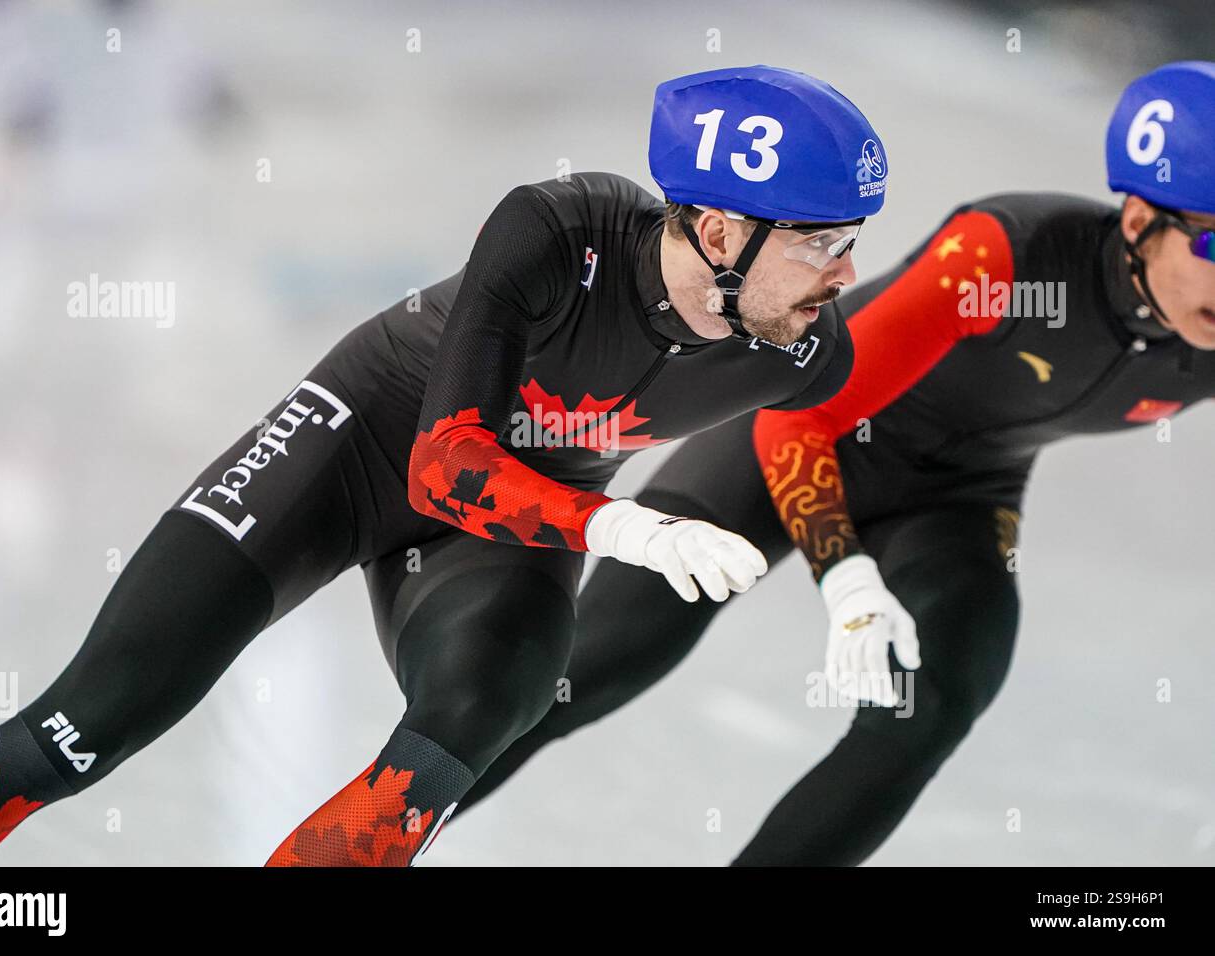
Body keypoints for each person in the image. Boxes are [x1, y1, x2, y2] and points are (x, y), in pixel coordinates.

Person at [0, 65, 890, 866]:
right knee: (84, 724)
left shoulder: (805, 348)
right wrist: (622, 525)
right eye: (822, 239)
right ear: (719, 231)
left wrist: (845, 571)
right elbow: (443, 464)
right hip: (355, 450)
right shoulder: (559, 233)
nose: (845, 270)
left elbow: (813, 435)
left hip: (510, 534)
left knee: (481, 711)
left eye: (853, 240)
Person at [454, 61, 1215, 865]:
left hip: (959, 497)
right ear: (1137, 219)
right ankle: (353, 849)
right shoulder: (1006, 256)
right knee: (580, 674)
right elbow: (804, 411)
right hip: (793, 440)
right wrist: (844, 575)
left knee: (935, 703)